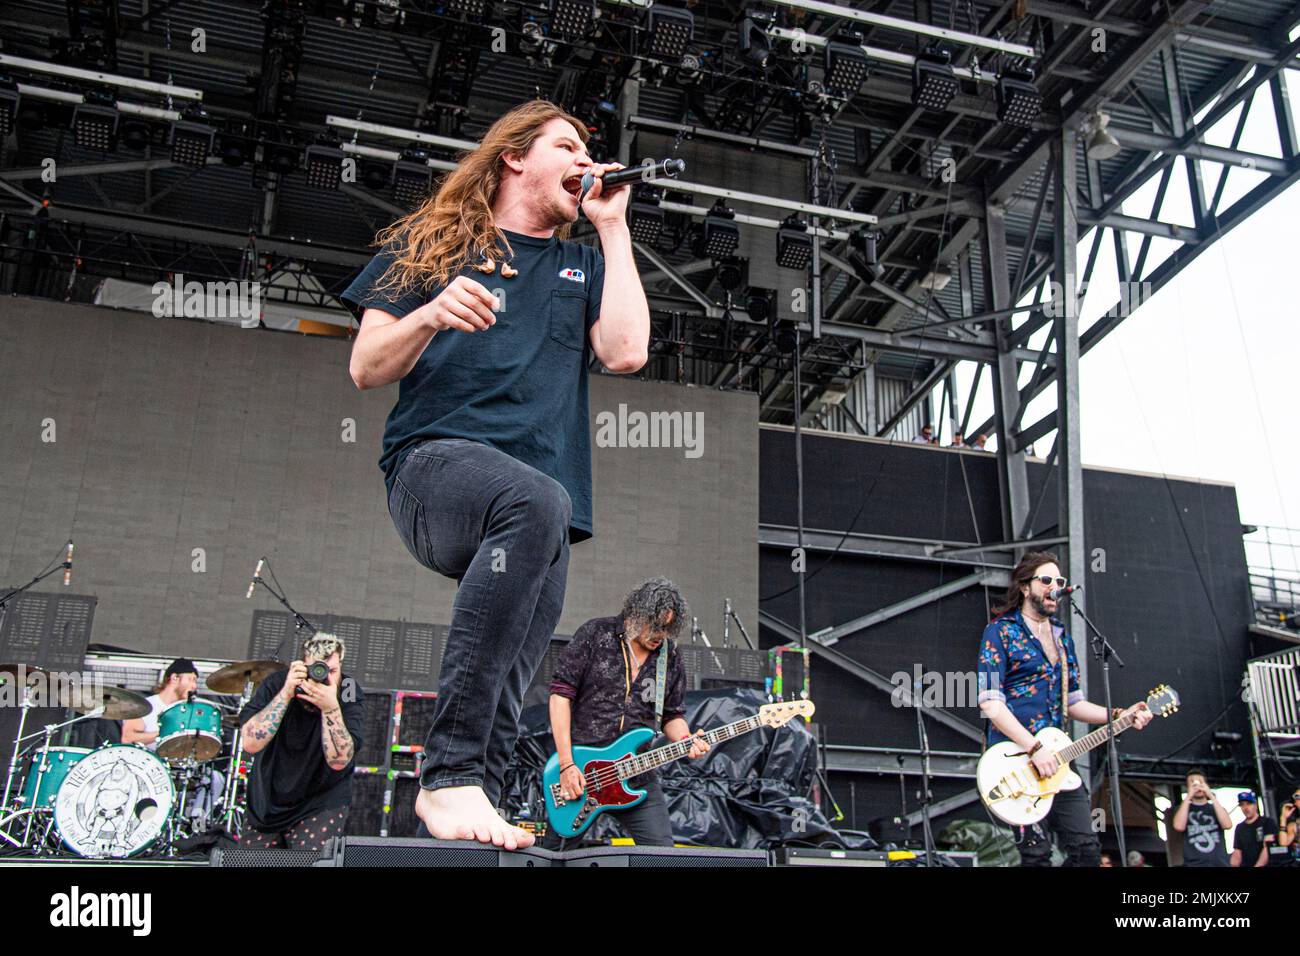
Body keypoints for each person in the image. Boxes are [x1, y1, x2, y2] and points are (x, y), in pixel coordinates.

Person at [342, 100, 648, 850]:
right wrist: (430, 315)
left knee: (518, 660)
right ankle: (444, 775)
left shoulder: (583, 263)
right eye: (567, 146)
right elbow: (365, 367)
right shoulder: (433, 243)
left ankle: (477, 800)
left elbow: (627, 352)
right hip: (432, 470)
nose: (585, 160)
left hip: (538, 513)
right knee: (535, 498)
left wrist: (612, 225)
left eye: (590, 151)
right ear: (515, 156)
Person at [977, 551, 1153, 866]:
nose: (1055, 586)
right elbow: (990, 702)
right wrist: (1034, 747)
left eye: (1059, 581)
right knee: (1036, 855)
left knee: (1087, 850)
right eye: (1046, 580)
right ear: (1025, 587)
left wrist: (1118, 716)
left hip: (1058, 762)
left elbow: (1074, 703)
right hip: (1017, 760)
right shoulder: (1000, 632)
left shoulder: (1063, 639)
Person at [544, 579, 709, 848]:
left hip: (637, 772)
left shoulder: (670, 657)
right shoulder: (596, 634)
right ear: (636, 613)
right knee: (555, 857)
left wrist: (686, 739)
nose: (660, 635)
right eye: (656, 626)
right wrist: (566, 764)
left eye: (668, 629)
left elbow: (671, 715)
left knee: (663, 857)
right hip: (581, 770)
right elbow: (560, 695)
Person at [237, 633, 364, 851]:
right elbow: (249, 743)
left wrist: (330, 706)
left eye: (332, 671)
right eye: (316, 670)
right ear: (302, 665)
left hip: (322, 799)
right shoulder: (277, 682)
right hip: (269, 798)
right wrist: (286, 693)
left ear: (341, 665)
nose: (324, 677)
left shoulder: (349, 687)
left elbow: (340, 760)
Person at [122, 658, 198, 751]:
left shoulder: (190, 710)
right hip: (149, 763)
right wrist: (167, 733)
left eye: (195, 681)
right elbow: (128, 738)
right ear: (174, 678)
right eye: (190, 679)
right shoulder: (145, 705)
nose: (194, 686)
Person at [1172, 768, 1231, 866]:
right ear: (1188, 787)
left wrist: (1211, 796)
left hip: (1219, 863)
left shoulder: (1215, 808)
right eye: (1193, 784)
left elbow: (1227, 825)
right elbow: (1179, 826)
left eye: (1201, 783)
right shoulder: (1183, 809)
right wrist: (1188, 796)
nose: (1197, 787)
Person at [1230, 791, 1277, 867]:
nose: (1246, 808)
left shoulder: (1267, 822)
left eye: (1249, 804)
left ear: (1255, 805)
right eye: (1242, 805)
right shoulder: (1239, 827)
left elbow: (1267, 848)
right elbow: (1237, 851)